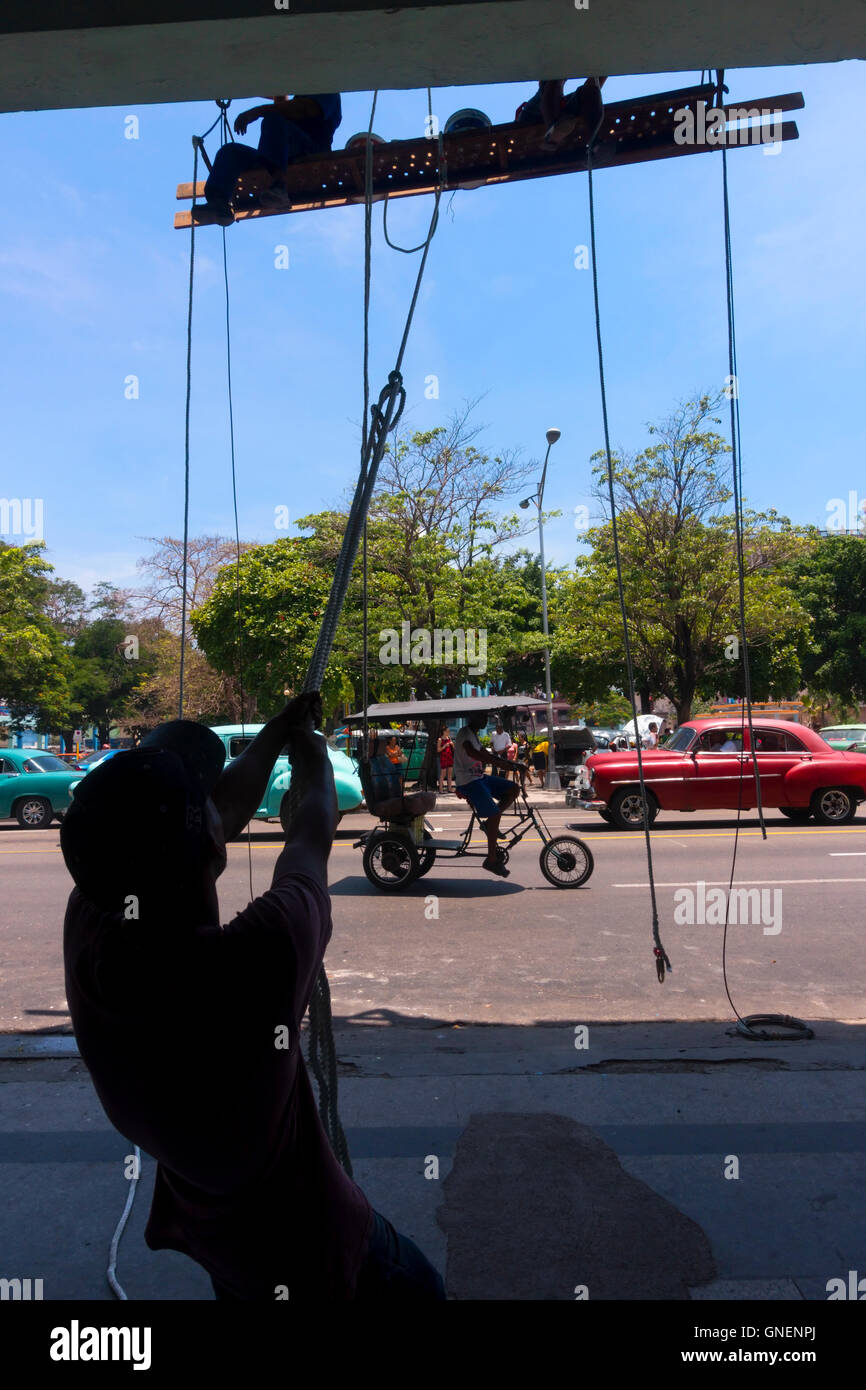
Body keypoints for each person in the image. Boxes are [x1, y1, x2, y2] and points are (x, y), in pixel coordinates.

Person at [60, 693, 445, 1301]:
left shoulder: (94, 920)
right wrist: (313, 757)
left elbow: (209, 823)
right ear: (214, 848)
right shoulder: (255, 960)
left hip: (223, 1239)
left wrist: (273, 736)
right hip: (317, 1247)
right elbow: (310, 835)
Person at [197, 93, 343, 226]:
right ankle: (218, 203)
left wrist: (256, 112)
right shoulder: (299, 95)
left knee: (273, 120)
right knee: (230, 152)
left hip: (310, 155)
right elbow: (283, 105)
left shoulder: (328, 91)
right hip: (278, 156)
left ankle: (279, 187)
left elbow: (303, 109)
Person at [454, 712, 526, 877]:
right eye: (482, 717)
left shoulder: (473, 735)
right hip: (469, 781)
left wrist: (510, 764)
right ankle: (491, 860)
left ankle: (489, 825)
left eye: (486, 718)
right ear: (471, 718)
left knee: (514, 789)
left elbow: (486, 754)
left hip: (480, 777)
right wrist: (498, 763)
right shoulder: (465, 732)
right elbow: (473, 753)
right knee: (494, 813)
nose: (485, 720)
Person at [516, 77, 608, 150]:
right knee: (551, 83)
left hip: (552, 113)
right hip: (532, 117)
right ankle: (553, 133)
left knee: (589, 92)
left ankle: (595, 141)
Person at [437, 723, 454, 794]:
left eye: (449, 731)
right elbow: (438, 750)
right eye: (447, 731)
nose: (448, 732)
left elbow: (453, 748)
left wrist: (452, 744)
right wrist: (444, 746)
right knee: (443, 774)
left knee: (450, 774)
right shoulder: (440, 739)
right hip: (443, 757)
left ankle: (449, 788)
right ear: (444, 731)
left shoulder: (449, 738)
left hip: (449, 757)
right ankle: (441, 790)